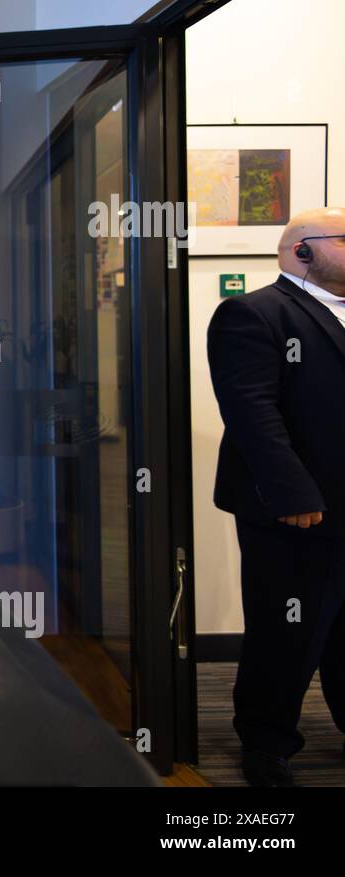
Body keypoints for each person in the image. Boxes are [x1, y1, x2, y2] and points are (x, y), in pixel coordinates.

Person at [207, 207, 345, 786]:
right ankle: (266, 744)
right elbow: (251, 413)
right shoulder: (253, 312)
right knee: (286, 625)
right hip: (294, 507)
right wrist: (291, 491)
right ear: (303, 251)